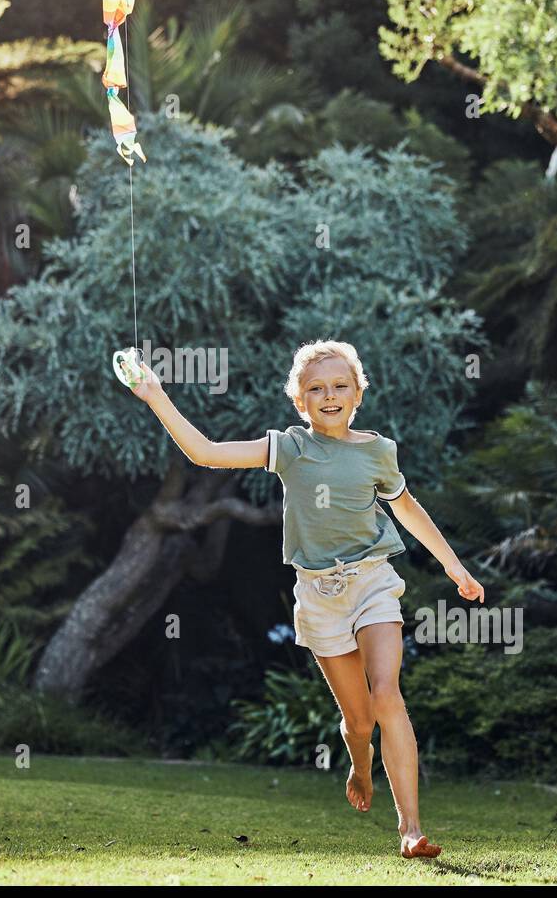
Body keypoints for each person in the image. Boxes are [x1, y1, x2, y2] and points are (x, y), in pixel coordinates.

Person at [127, 339, 484, 859]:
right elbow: (206, 453)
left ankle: (410, 828)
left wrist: (454, 565)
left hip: (372, 582)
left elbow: (407, 509)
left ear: (358, 393)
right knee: (359, 721)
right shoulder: (290, 447)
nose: (330, 395)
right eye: (316, 388)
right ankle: (360, 765)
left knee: (387, 694)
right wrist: (156, 395)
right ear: (300, 401)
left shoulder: (378, 451)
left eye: (340, 386)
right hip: (318, 596)